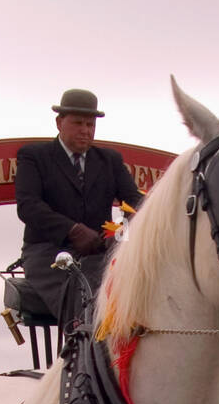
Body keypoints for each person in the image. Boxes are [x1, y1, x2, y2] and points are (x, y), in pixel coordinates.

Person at [15, 88, 143, 326]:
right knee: (83, 294)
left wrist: (122, 233)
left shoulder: (109, 160)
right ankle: (80, 353)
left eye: (90, 124)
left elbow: (134, 201)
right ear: (59, 122)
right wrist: (72, 230)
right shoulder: (34, 156)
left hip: (98, 253)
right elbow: (28, 206)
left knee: (138, 287)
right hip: (47, 254)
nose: (85, 131)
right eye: (78, 123)